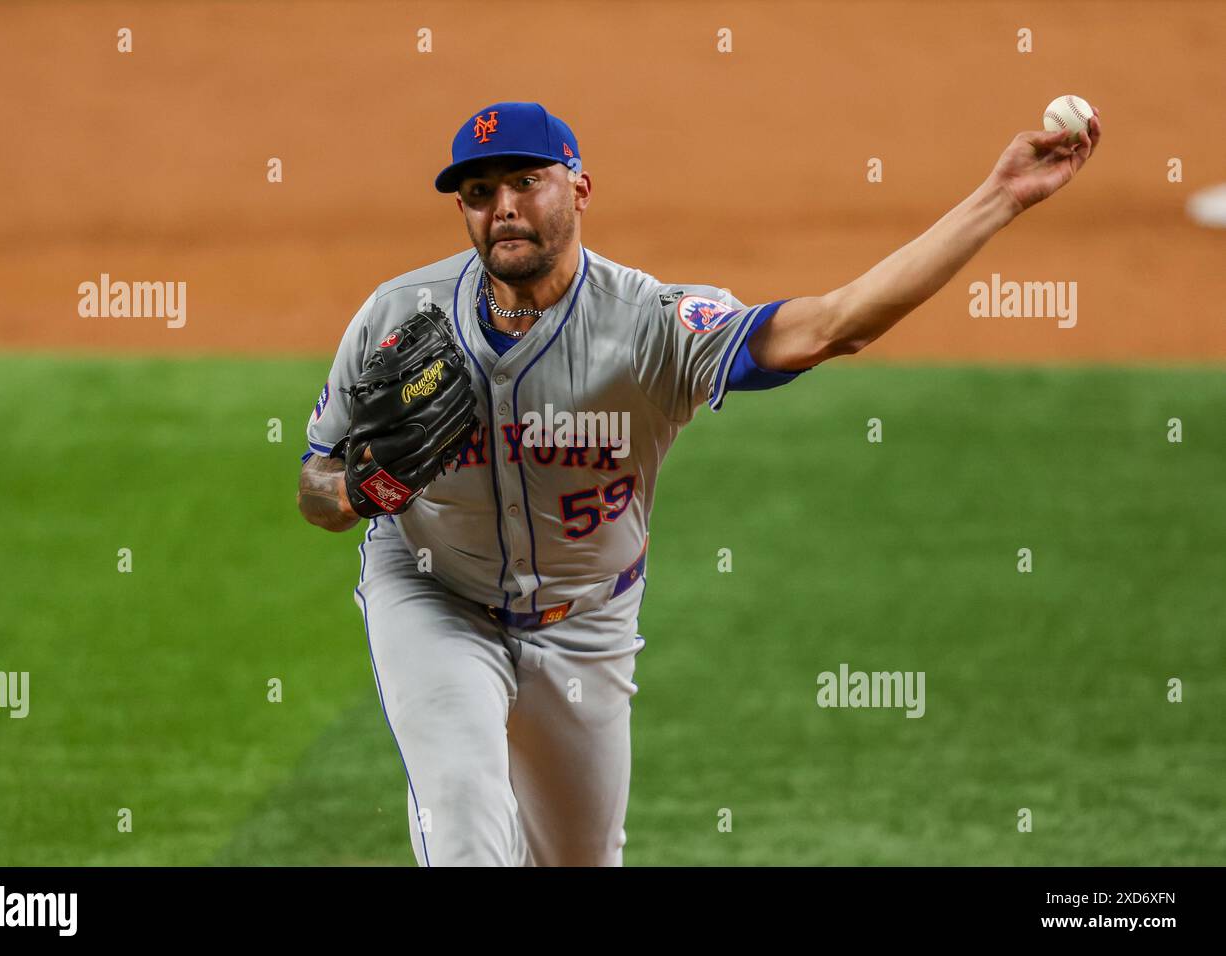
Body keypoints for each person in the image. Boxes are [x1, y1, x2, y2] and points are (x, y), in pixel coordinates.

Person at [296, 100, 1101, 866]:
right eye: (479, 192)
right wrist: (358, 493)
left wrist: (1000, 197)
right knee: (466, 816)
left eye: (524, 182)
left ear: (579, 187)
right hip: (432, 598)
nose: (501, 206)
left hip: (585, 622)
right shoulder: (397, 316)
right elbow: (316, 482)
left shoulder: (650, 324)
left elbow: (834, 325)